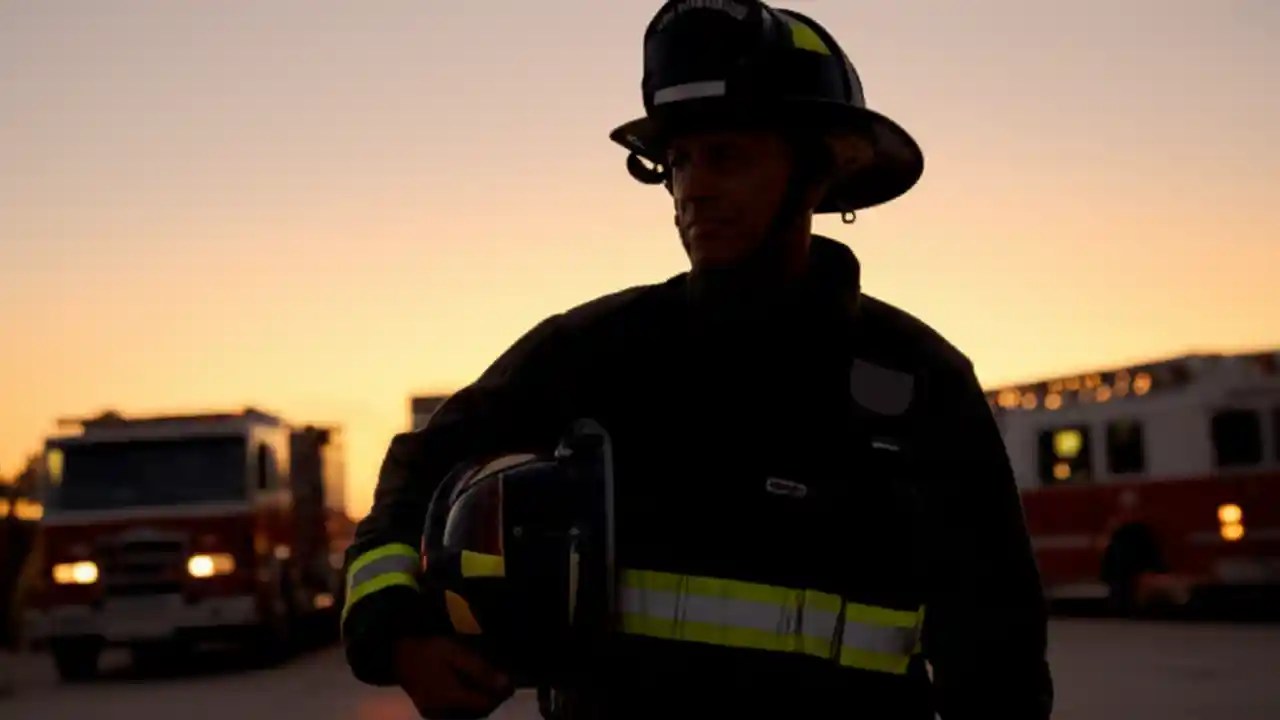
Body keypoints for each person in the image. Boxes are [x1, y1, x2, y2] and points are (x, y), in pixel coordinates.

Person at [340, 1, 1054, 718]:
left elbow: (1000, 648)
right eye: (677, 161)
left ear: (814, 170)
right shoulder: (591, 352)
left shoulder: (919, 382)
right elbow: (419, 473)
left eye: (726, 156)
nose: (693, 189)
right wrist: (395, 632)